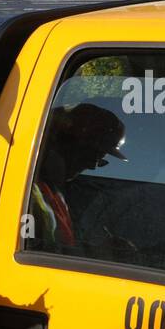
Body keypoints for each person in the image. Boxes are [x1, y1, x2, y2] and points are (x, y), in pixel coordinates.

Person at [29, 102, 128, 249]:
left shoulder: (54, 193)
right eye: (93, 153)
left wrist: (98, 251)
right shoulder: (26, 193)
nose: (92, 166)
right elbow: (40, 252)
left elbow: (57, 248)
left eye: (100, 159)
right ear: (67, 140)